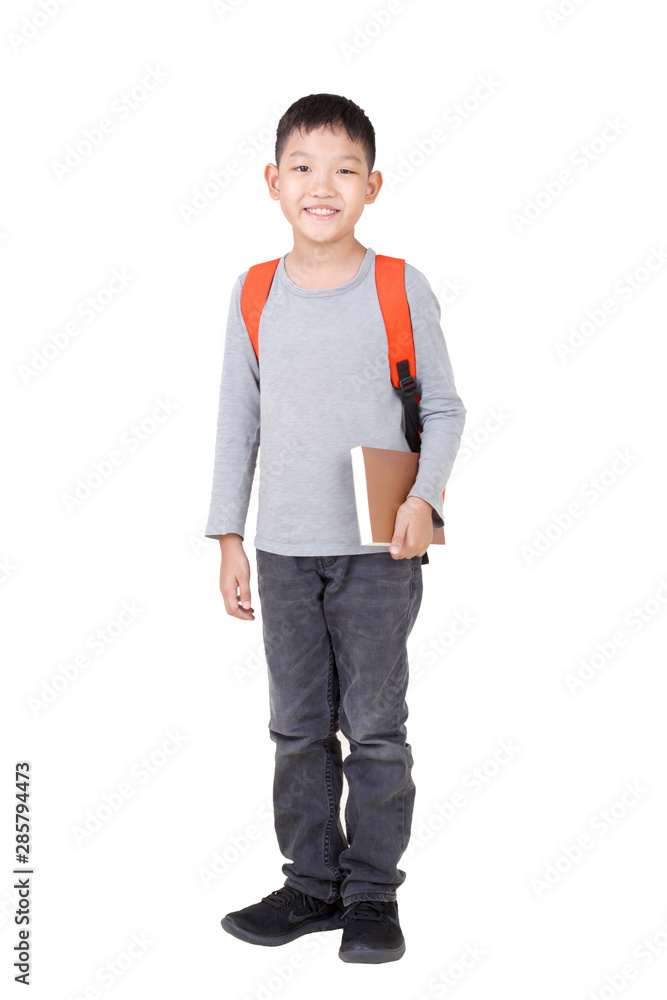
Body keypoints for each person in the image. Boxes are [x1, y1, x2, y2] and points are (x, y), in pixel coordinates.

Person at [204, 93, 466, 964]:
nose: (324, 186)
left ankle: (371, 896)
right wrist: (228, 536)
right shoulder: (252, 292)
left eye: (345, 169)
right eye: (304, 169)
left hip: (377, 550)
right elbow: (236, 422)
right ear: (273, 183)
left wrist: (424, 497)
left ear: (373, 185)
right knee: (296, 726)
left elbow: (444, 406)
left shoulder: (398, 285)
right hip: (281, 551)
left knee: (376, 725)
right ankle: (309, 886)